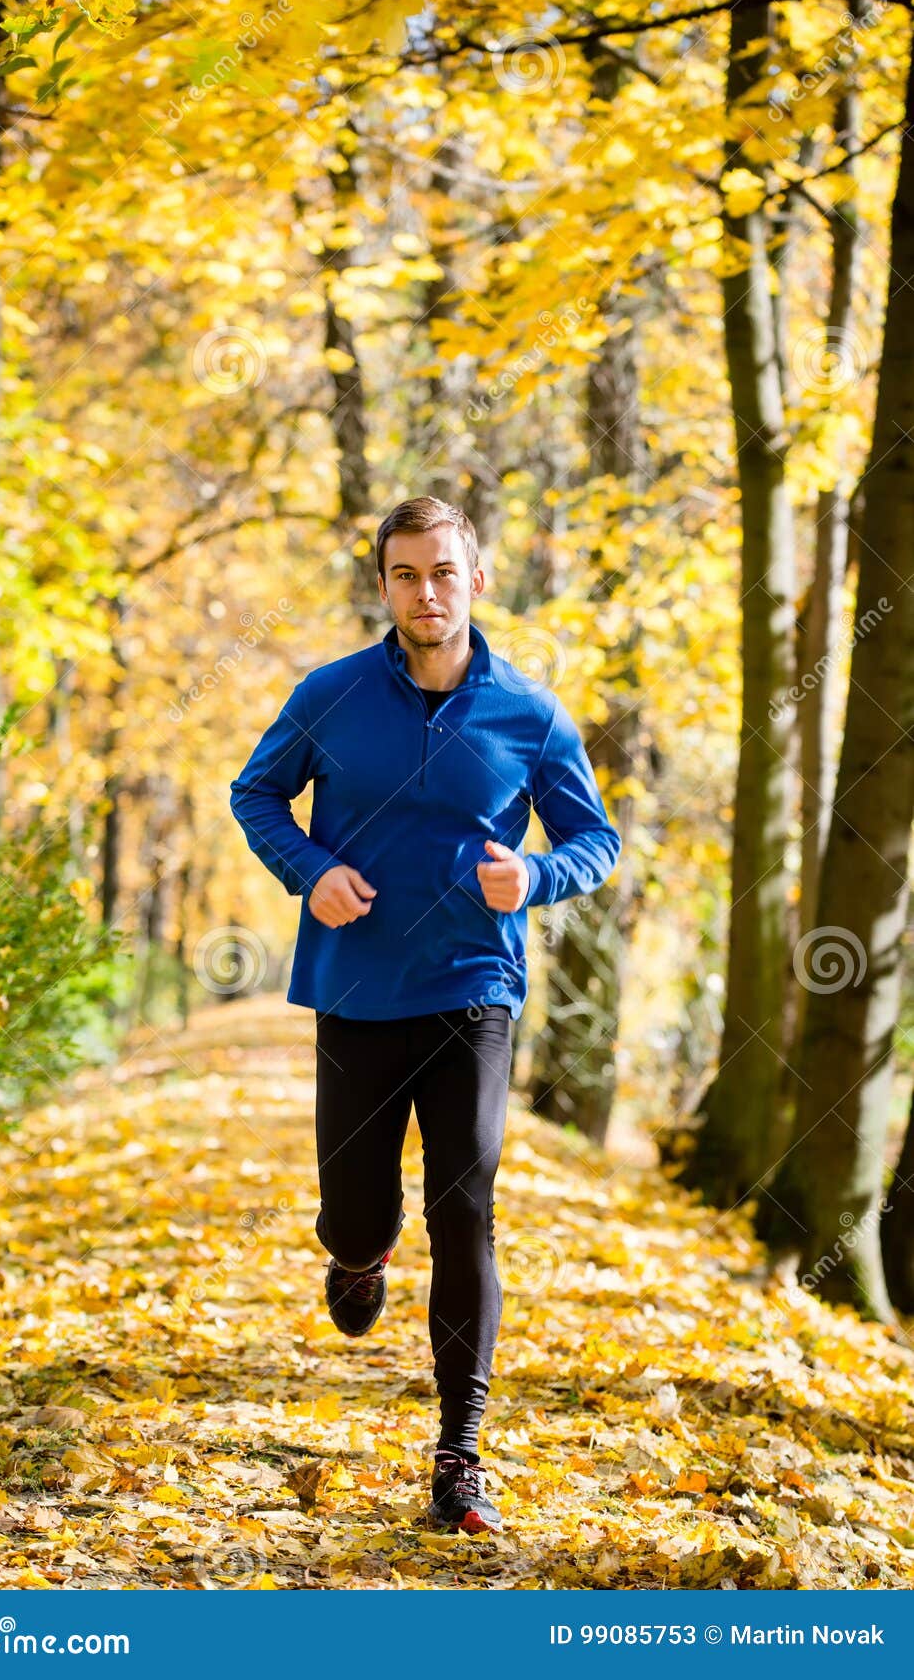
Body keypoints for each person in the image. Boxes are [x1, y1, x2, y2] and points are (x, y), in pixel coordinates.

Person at [228, 495, 621, 1534]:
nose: (427, 591)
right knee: (358, 1215)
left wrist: (533, 874)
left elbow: (598, 840)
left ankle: (461, 1455)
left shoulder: (530, 715)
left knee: (468, 1205)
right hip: (357, 992)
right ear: (386, 585)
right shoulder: (331, 694)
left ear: (477, 577)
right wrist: (309, 871)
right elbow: (255, 795)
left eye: (444, 571)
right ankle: (359, 1256)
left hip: (474, 991)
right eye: (406, 574)